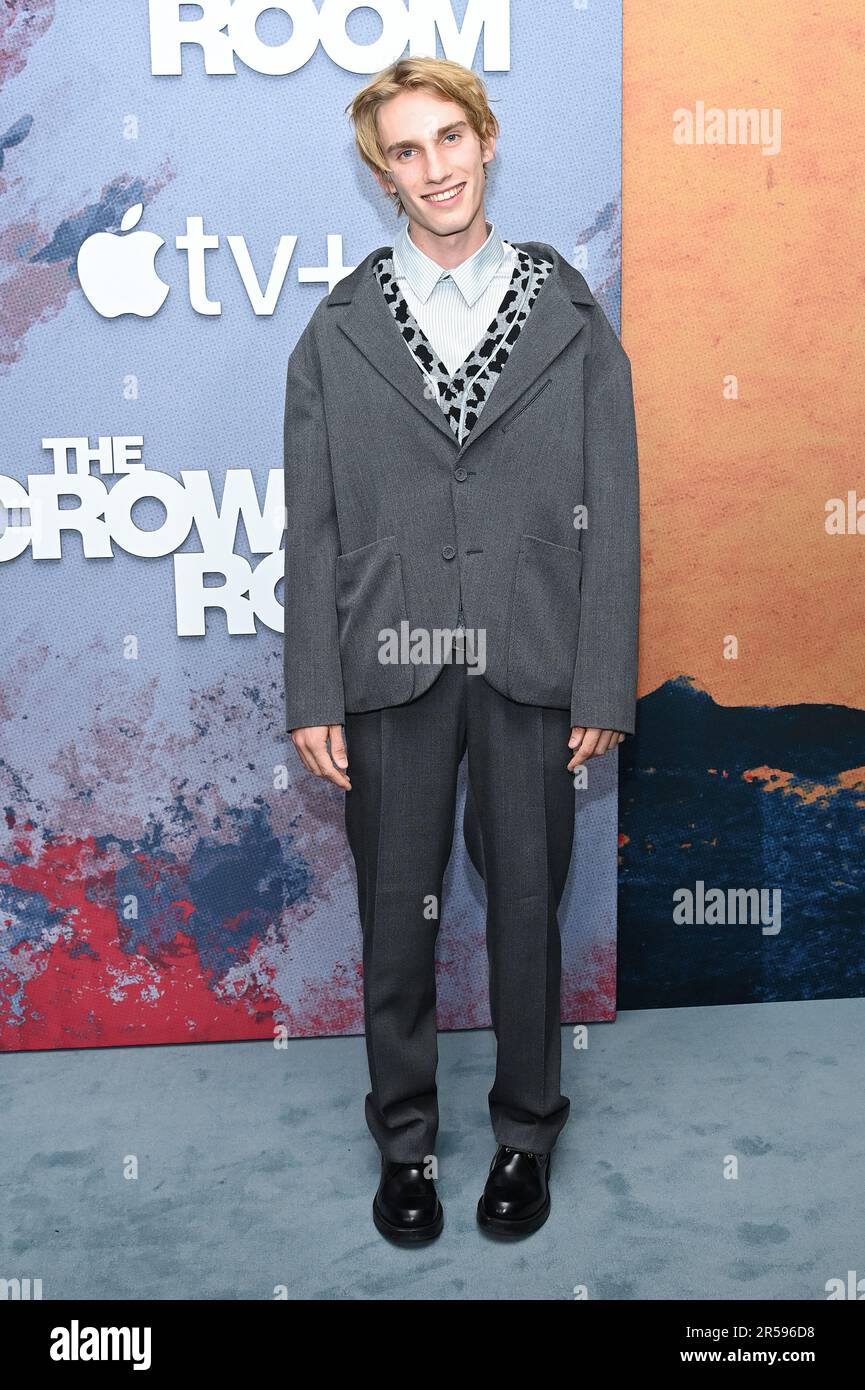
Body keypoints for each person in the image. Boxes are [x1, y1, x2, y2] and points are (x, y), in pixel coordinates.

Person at [284, 56, 640, 1243]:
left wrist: (600, 675)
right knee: (398, 913)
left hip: (532, 657)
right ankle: (405, 1145)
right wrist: (313, 689)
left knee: (528, 902)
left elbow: (614, 505)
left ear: (486, 142)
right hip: (387, 663)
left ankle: (526, 1131)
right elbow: (313, 524)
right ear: (381, 172)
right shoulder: (334, 334)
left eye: (450, 138)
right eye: (406, 150)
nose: (433, 167)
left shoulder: (572, 314)